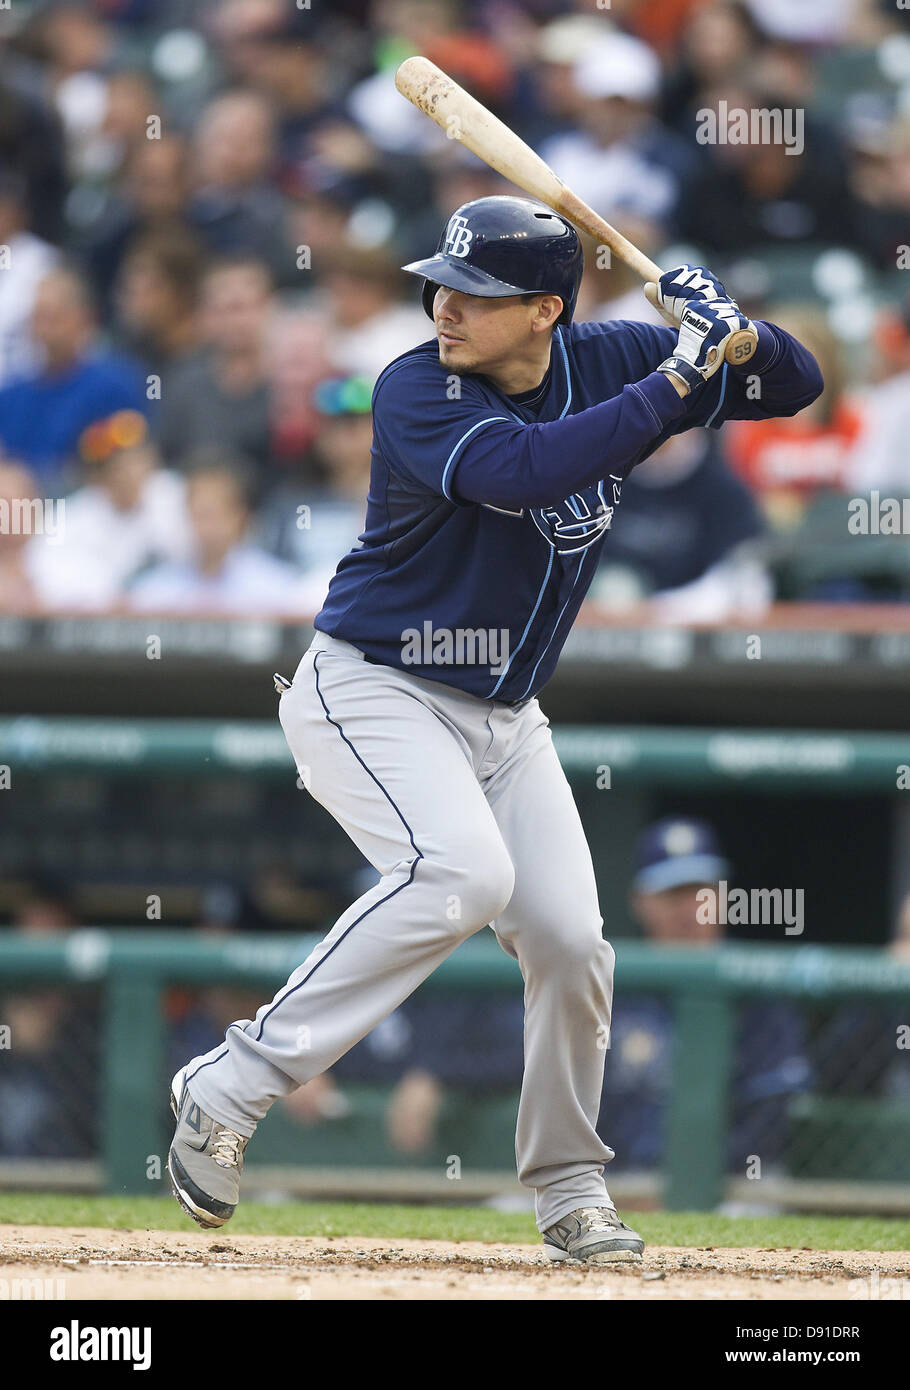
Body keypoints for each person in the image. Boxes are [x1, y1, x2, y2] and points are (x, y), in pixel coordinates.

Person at [166, 195, 822, 1264]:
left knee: (572, 940)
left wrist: (733, 327)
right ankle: (233, 1080)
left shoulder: (610, 353)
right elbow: (525, 471)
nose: (444, 307)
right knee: (457, 874)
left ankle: (568, 1188)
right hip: (374, 684)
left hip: (506, 718)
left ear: (544, 311)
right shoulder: (414, 384)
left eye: (476, 293)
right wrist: (678, 377)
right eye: (441, 284)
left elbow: (797, 386)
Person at [601, 817, 811, 1173]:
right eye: (672, 894)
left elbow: (771, 1112)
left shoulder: (757, 986)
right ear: (640, 902)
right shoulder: (609, 985)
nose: (689, 909)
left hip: (736, 1181)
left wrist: (692, 1183)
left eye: (701, 891)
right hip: (621, 1179)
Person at [0, 268, 147, 490]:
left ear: (84, 318)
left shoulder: (116, 384)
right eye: (38, 317)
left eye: (55, 317)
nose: (45, 329)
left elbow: (128, 460)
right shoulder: (11, 395)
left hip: (89, 508)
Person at [128, 451, 308, 617]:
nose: (204, 526)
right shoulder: (155, 590)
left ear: (239, 516)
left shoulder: (277, 590)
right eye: (197, 513)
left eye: (212, 513)